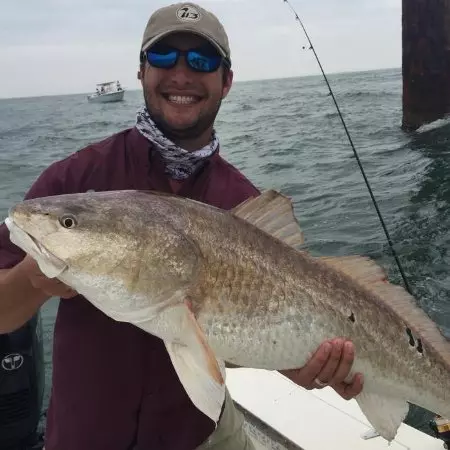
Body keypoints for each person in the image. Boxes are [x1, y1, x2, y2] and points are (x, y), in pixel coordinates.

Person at [0, 3, 363, 449]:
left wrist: (302, 363)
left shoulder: (242, 203)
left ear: (226, 81)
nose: (182, 74)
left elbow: (247, 331)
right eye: (164, 56)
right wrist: (32, 276)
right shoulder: (73, 181)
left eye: (202, 60)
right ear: (141, 71)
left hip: (203, 435)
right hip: (86, 433)